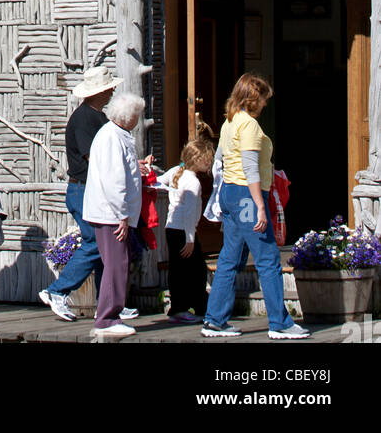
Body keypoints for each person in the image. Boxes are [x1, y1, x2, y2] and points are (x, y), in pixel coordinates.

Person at [201, 74, 309, 340]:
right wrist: (260, 206)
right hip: (247, 195)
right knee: (268, 258)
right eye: (263, 99)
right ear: (254, 97)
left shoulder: (230, 121)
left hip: (231, 192)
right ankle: (280, 323)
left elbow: (221, 159)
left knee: (229, 257)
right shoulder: (248, 125)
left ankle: (214, 320)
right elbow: (249, 167)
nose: (265, 104)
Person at [39, 65, 131, 322]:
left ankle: (109, 303)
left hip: (94, 190)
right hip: (83, 190)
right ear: (99, 91)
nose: (113, 89)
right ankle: (57, 290)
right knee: (95, 243)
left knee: (106, 249)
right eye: (109, 86)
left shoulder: (99, 117)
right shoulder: (83, 119)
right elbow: (96, 158)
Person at [83, 91, 147, 338]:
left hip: (113, 212)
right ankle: (107, 318)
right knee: (115, 263)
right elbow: (114, 179)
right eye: (136, 115)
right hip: (110, 213)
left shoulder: (117, 135)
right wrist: (122, 214)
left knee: (118, 262)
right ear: (127, 116)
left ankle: (112, 314)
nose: (137, 120)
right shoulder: (111, 137)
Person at [154, 133, 215, 323]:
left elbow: (159, 181)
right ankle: (184, 307)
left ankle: (191, 306)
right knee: (194, 270)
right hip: (183, 231)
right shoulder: (193, 182)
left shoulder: (176, 171)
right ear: (198, 160)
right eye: (207, 160)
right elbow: (189, 214)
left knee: (182, 269)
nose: (209, 163)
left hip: (172, 229)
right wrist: (190, 238)